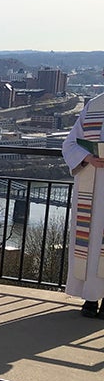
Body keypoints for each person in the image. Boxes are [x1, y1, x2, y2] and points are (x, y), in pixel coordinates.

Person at [62, 88, 104, 318]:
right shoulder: (94, 106)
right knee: (91, 243)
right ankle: (90, 297)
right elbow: (70, 144)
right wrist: (88, 158)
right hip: (92, 184)